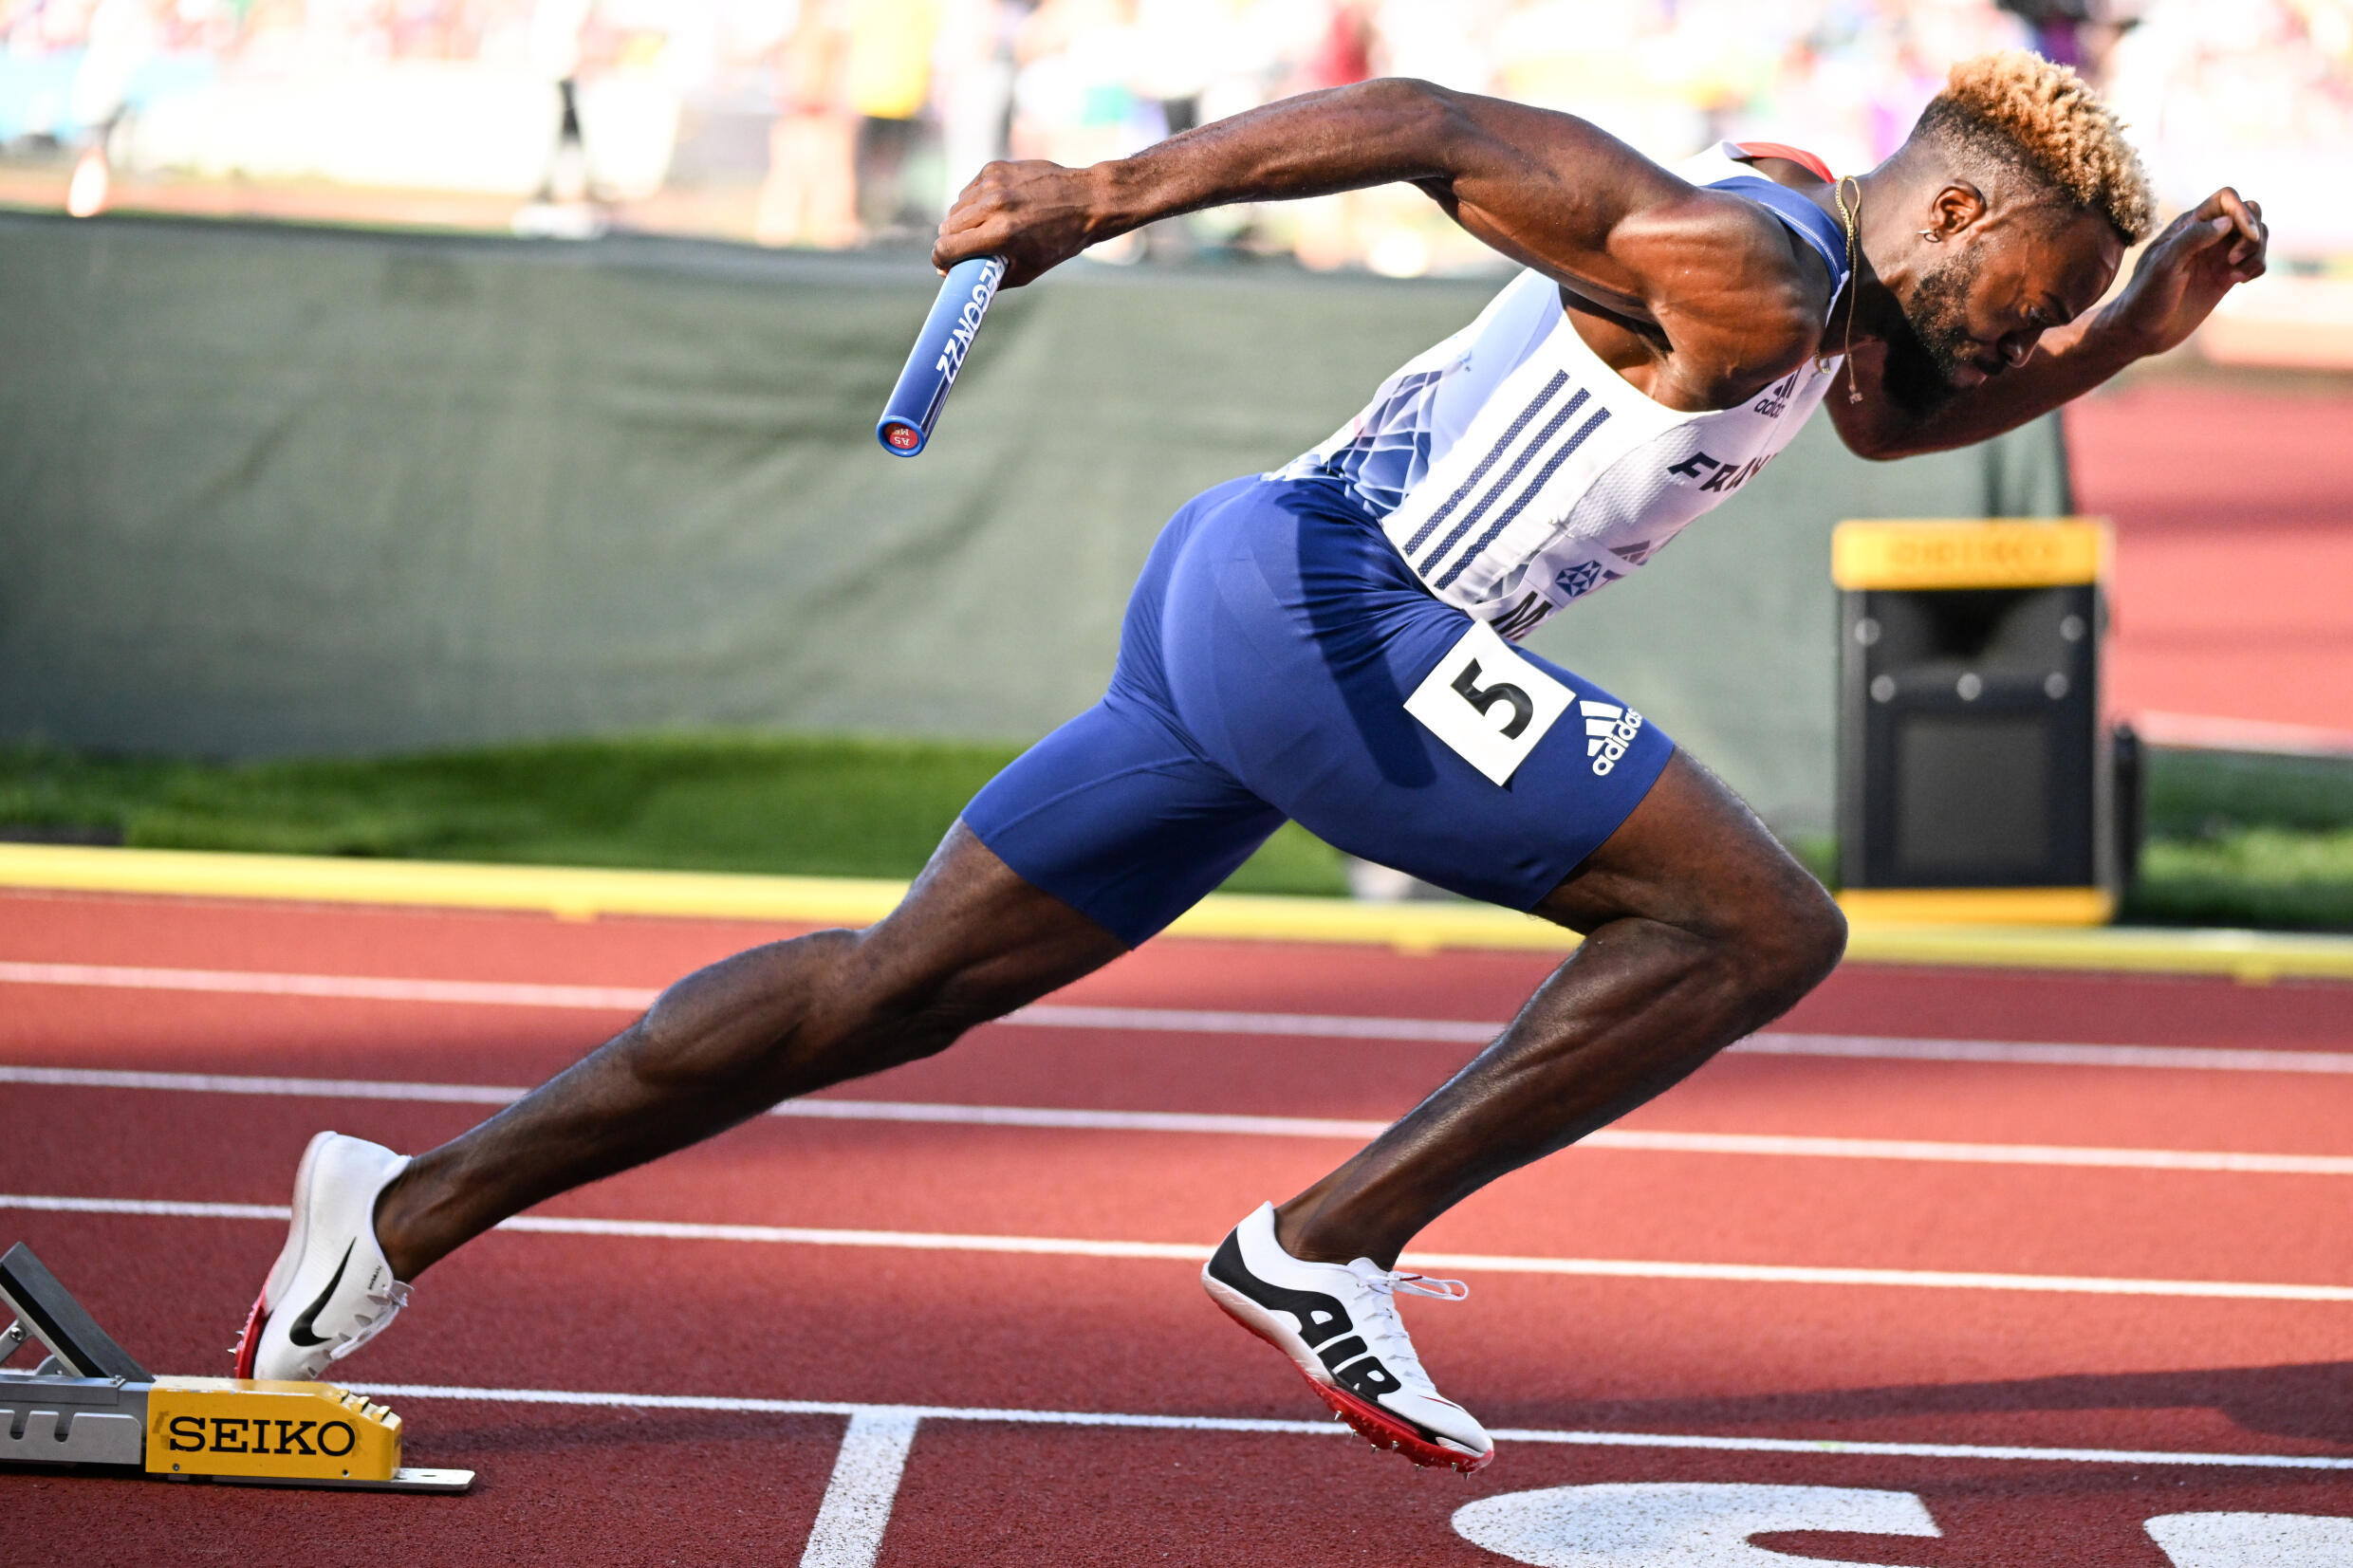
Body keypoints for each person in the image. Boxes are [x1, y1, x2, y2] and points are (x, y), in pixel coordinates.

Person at [236, 50, 2266, 1474]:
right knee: (1752, 922)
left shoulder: (1834, 304)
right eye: (2042, 292)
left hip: (1258, 614)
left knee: (891, 988)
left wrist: (2133, 333)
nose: (2027, 335)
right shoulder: (1747, 261)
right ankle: (1322, 1244)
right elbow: (1426, 123)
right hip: (1329, 601)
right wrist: (1098, 198)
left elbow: (1897, 416)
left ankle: (395, 1207)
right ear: (1966, 206)